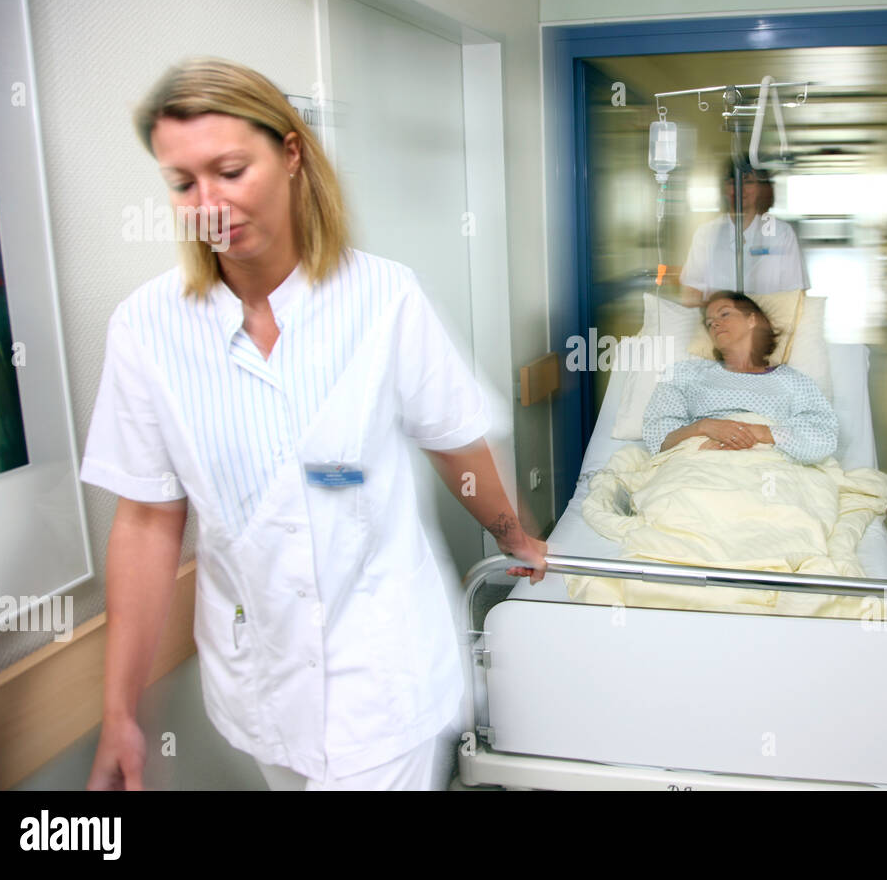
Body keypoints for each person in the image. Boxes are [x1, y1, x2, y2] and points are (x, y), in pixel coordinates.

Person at [80, 57, 546, 792]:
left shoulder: (384, 298)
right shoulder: (146, 328)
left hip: (380, 672)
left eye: (231, 170)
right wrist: (119, 712)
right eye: (182, 183)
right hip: (257, 678)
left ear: (291, 154)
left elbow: (452, 439)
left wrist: (513, 533)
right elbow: (145, 519)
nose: (208, 202)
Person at [642, 292, 838, 465]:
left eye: (724, 314)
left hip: (767, 464)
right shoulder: (684, 374)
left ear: (752, 320)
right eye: (709, 323)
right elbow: (659, 440)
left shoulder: (793, 381)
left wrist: (756, 433)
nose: (715, 324)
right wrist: (705, 426)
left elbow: (821, 438)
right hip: (702, 458)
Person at [679, 161, 809, 306]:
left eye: (748, 182)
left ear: (759, 188)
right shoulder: (706, 234)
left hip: (768, 321)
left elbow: (797, 293)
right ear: (724, 189)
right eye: (731, 182)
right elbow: (691, 292)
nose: (739, 189)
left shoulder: (781, 233)